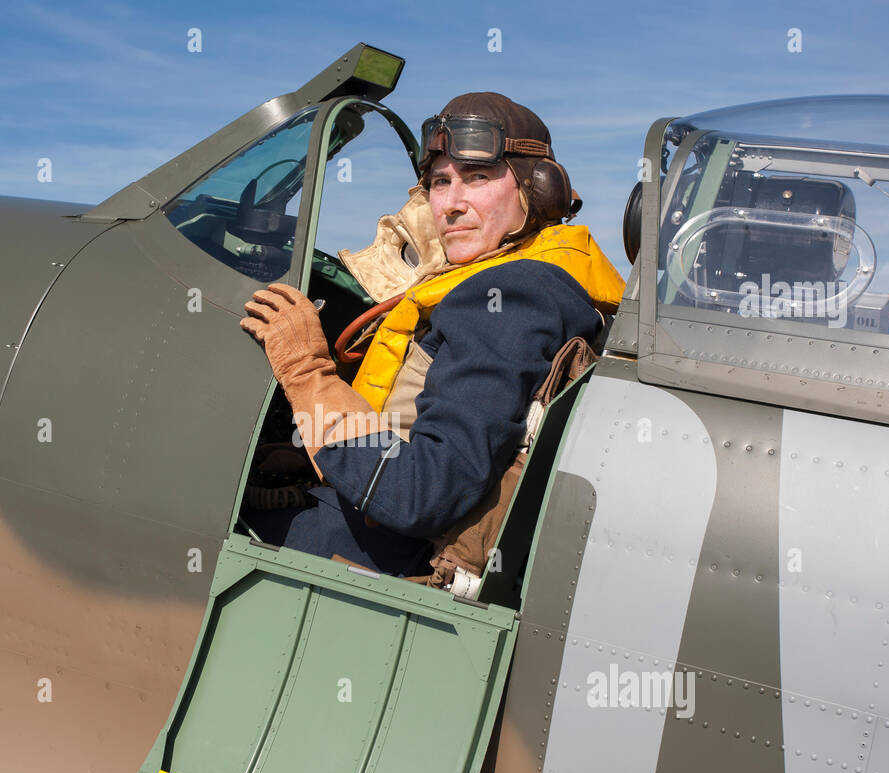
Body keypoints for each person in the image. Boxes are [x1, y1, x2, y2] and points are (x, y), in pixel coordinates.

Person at [239, 92, 626, 580]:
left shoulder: (509, 296)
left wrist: (306, 373)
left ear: (536, 190)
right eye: (440, 182)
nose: (451, 205)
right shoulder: (546, 284)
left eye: (478, 178)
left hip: (383, 553)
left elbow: (418, 493)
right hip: (378, 526)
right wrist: (310, 451)